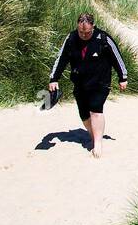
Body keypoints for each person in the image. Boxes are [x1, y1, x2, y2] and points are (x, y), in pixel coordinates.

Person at [47, 12, 128, 158]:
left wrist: (123, 77)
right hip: (80, 82)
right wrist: (54, 78)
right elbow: (61, 58)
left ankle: (97, 144)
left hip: (100, 82)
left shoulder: (103, 38)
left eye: (87, 32)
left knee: (96, 111)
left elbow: (117, 57)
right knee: (84, 114)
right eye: (81, 32)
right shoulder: (71, 38)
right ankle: (93, 136)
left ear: (93, 27)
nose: (83, 35)